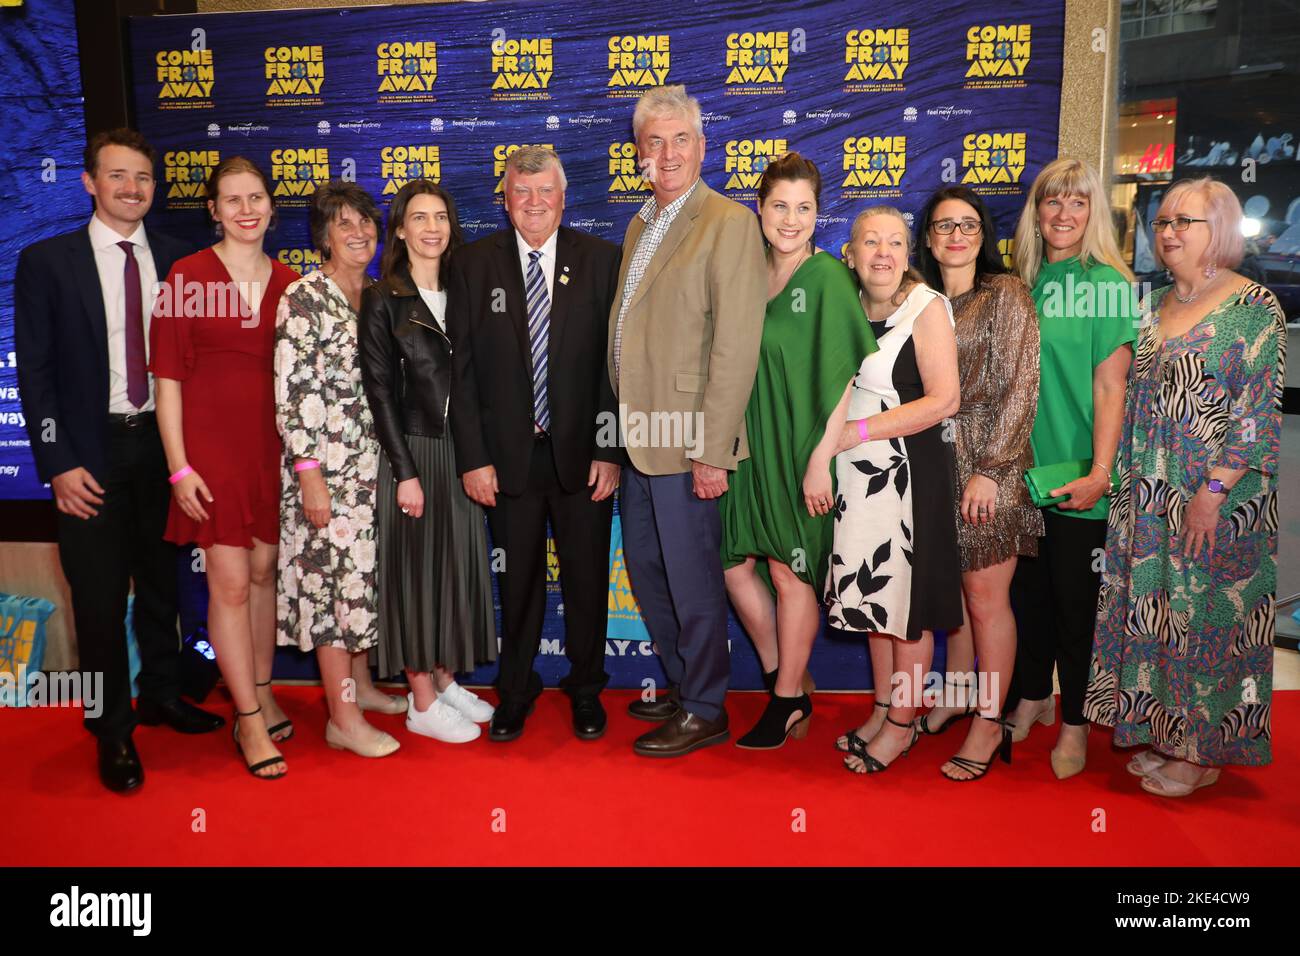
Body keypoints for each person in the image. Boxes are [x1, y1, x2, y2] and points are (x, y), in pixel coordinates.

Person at [14, 128, 223, 793]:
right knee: (100, 602)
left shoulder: (181, 259)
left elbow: (199, 365)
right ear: (89, 182)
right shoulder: (48, 262)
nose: (132, 189)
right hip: (89, 455)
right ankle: (111, 730)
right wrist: (55, 461)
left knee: (164, 587)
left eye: (142, 178)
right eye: (117, 176)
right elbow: (36, 373)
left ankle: (162, 693)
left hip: (163, 453)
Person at [1085, 177, 1287, 797]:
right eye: (1163, 220)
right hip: (1150, 492)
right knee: (1158, 613)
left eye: (1185, 222)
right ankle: (1169, 734)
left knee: (1205, 620)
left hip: (1215, 495)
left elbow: (1258, 412)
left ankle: (1203, 752)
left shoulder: (1254, 307)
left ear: (1219, 229)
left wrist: (1213, 491)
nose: (1169, 232)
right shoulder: (1157, 305)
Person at [610, 84, 767, 757]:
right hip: (637, 438)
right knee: (649, 571)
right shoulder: (639, 224)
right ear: (638, 153)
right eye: (653, 141)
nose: (667, 152)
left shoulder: (729, 223)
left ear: (702, 147)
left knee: (694, 578)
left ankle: (707, 706)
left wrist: (712, 451)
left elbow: (735, 345)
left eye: (679, 139)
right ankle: (682, 685)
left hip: (688, 439)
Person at [449, 147, 622, 742]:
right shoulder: (473, 265)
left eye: (545, 191)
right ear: (505, 199)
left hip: (582, 458)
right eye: (521, 192)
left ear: (563, 197)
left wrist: (609, 449)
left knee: (586, 582)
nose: (534, 203)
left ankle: (586, 689)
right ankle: (515, 692)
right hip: (508, 461)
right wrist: (473, 457)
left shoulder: (601, 260)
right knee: (517, 583)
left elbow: (613, 368)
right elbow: (461, 373)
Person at [720, 152, 877, 749]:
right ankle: (786, 675)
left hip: (801, 445)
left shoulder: (829, 279)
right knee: (735, 564)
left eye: (804, 208)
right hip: (745, 444)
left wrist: (820, 461)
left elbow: (842, 378)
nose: (790, 219)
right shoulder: (746, 270)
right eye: (779, 206)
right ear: (759, 208)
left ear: (819, 213)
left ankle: (785, 701)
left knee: (789, 571)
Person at [150, 155, 299, 779]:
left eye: (256, 197)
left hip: (275, 453)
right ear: (213, 210)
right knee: (231, 584)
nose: (246, 210)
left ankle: (261, 688)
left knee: (265, 574)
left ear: (270, 204)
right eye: (232, 200)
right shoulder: (185, 276)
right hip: (211, 456)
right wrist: (180, 469)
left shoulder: (292, 282)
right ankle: (244, 718)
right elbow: (168, 380)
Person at [1005, 157, 1136, 779]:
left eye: (1077, 203)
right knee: (1026, 595)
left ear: (1094, 214)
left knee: (1073, 602)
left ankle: (1076, 723)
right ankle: (1033, 694)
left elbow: (1112, 388)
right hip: (1019, 472)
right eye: (1052, 202)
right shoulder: (1022, 279)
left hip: (1077, 471)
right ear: (1035, 212)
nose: (1063, 214)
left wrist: (1101, 471)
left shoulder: (1108, 283)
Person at [825, 206, 963, 775]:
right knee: (874, 600)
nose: (883, 252)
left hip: (908, 475)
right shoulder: (848, 308)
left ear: (908, 252)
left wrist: (854, 431)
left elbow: (944, 400)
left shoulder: (927, 307)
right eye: (870, 242)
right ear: (850, 254)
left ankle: (903, 724)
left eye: (895, 242)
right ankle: (885, 707)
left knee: (906, 611)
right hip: (856, 482)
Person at [359, 180, 497, 745]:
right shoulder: (383, 298)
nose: (432, 228)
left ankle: (442, 680)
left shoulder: (465, 291)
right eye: (419, 218)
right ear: (399, 229)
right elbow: (379, 393)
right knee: (415, 575)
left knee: (452, 570)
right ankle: (418, 699)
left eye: (440, 216)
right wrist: (405, 471)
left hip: (461, 452)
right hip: (413, 451)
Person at [913, 186, 1042, 780]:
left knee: (988, 602)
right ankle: (960, 693)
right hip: (935, 464)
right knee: (959, 600)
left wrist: (992, 470)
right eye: (945, 226)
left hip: (993, 464)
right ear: (930, 238)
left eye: (968, 224)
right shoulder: (920, 299)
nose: (957, 235)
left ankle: (991, 721)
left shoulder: (1007, 293)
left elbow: (1022, 385)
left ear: (984, 234)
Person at [274, 181, 404, 759]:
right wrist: (309, 476)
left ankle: (364, 687)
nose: (358, 233)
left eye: (365, 222)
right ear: (323, 236)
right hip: (324, 474)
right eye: (343, 224)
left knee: (362, 590)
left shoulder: (376, 292)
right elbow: (292, 392)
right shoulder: (304, 298)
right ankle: (342, 717)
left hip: (372, 470)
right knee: (333, 594)